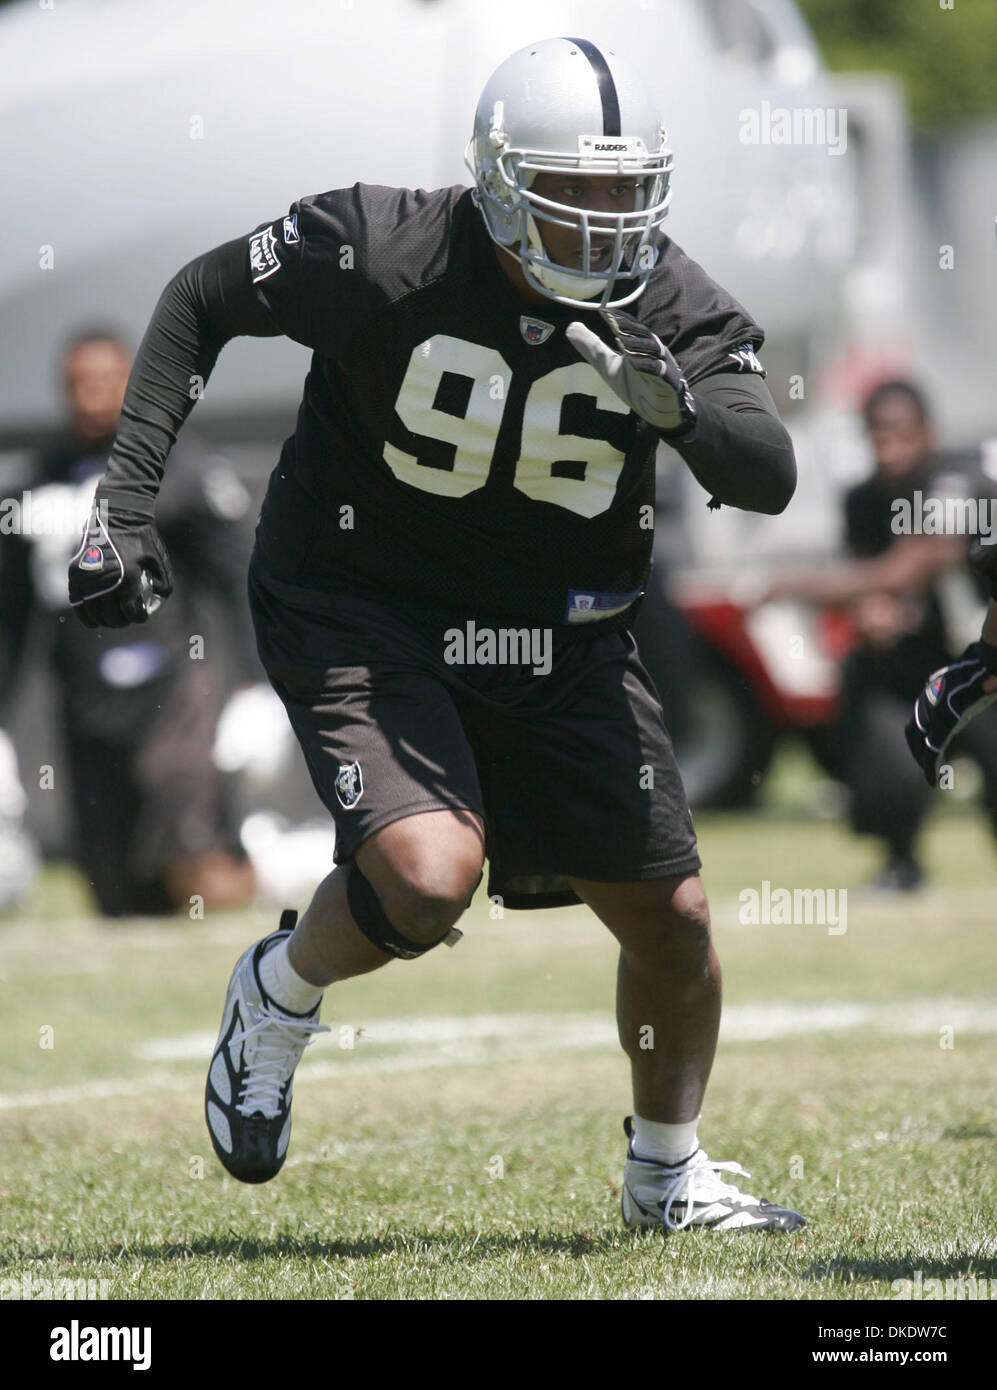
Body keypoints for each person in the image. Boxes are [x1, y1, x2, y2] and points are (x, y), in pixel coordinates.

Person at [69, 38, 803, 1232]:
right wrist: (124, 503)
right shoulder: (378, 245)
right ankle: (279, 990)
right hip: (365, 601)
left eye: (628, 193)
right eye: (580, 193)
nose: (608, 223)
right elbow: (202, 297)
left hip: (563, 632)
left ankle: (666, 1177)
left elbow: (765, 472)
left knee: (671, 923)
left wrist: (681, 412)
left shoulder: (665, 298)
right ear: (502, 182)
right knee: (427, 877)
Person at [0, 327, 257, 916]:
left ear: (129, 383)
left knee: (194, 872)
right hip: (86, 702)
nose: (91, 398)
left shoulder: (178, 464)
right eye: (77, 385)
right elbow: (11, 614)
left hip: (174, 690)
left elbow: (238, 571)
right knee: (113, 896)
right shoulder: (35, 484)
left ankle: (267, 880)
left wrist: (256, 682)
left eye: (103, 383)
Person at [764, 380, 997, 890]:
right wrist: (873, 612)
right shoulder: (864, 499)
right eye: (877, 435)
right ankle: (900, 857)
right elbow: (873, 582)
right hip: (920, 659)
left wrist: (795, 585)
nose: (888, 447)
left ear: (927, 433)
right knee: (874, 710)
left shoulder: (954, 483)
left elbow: (908, 568)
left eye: (900, 433)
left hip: (986, 659)